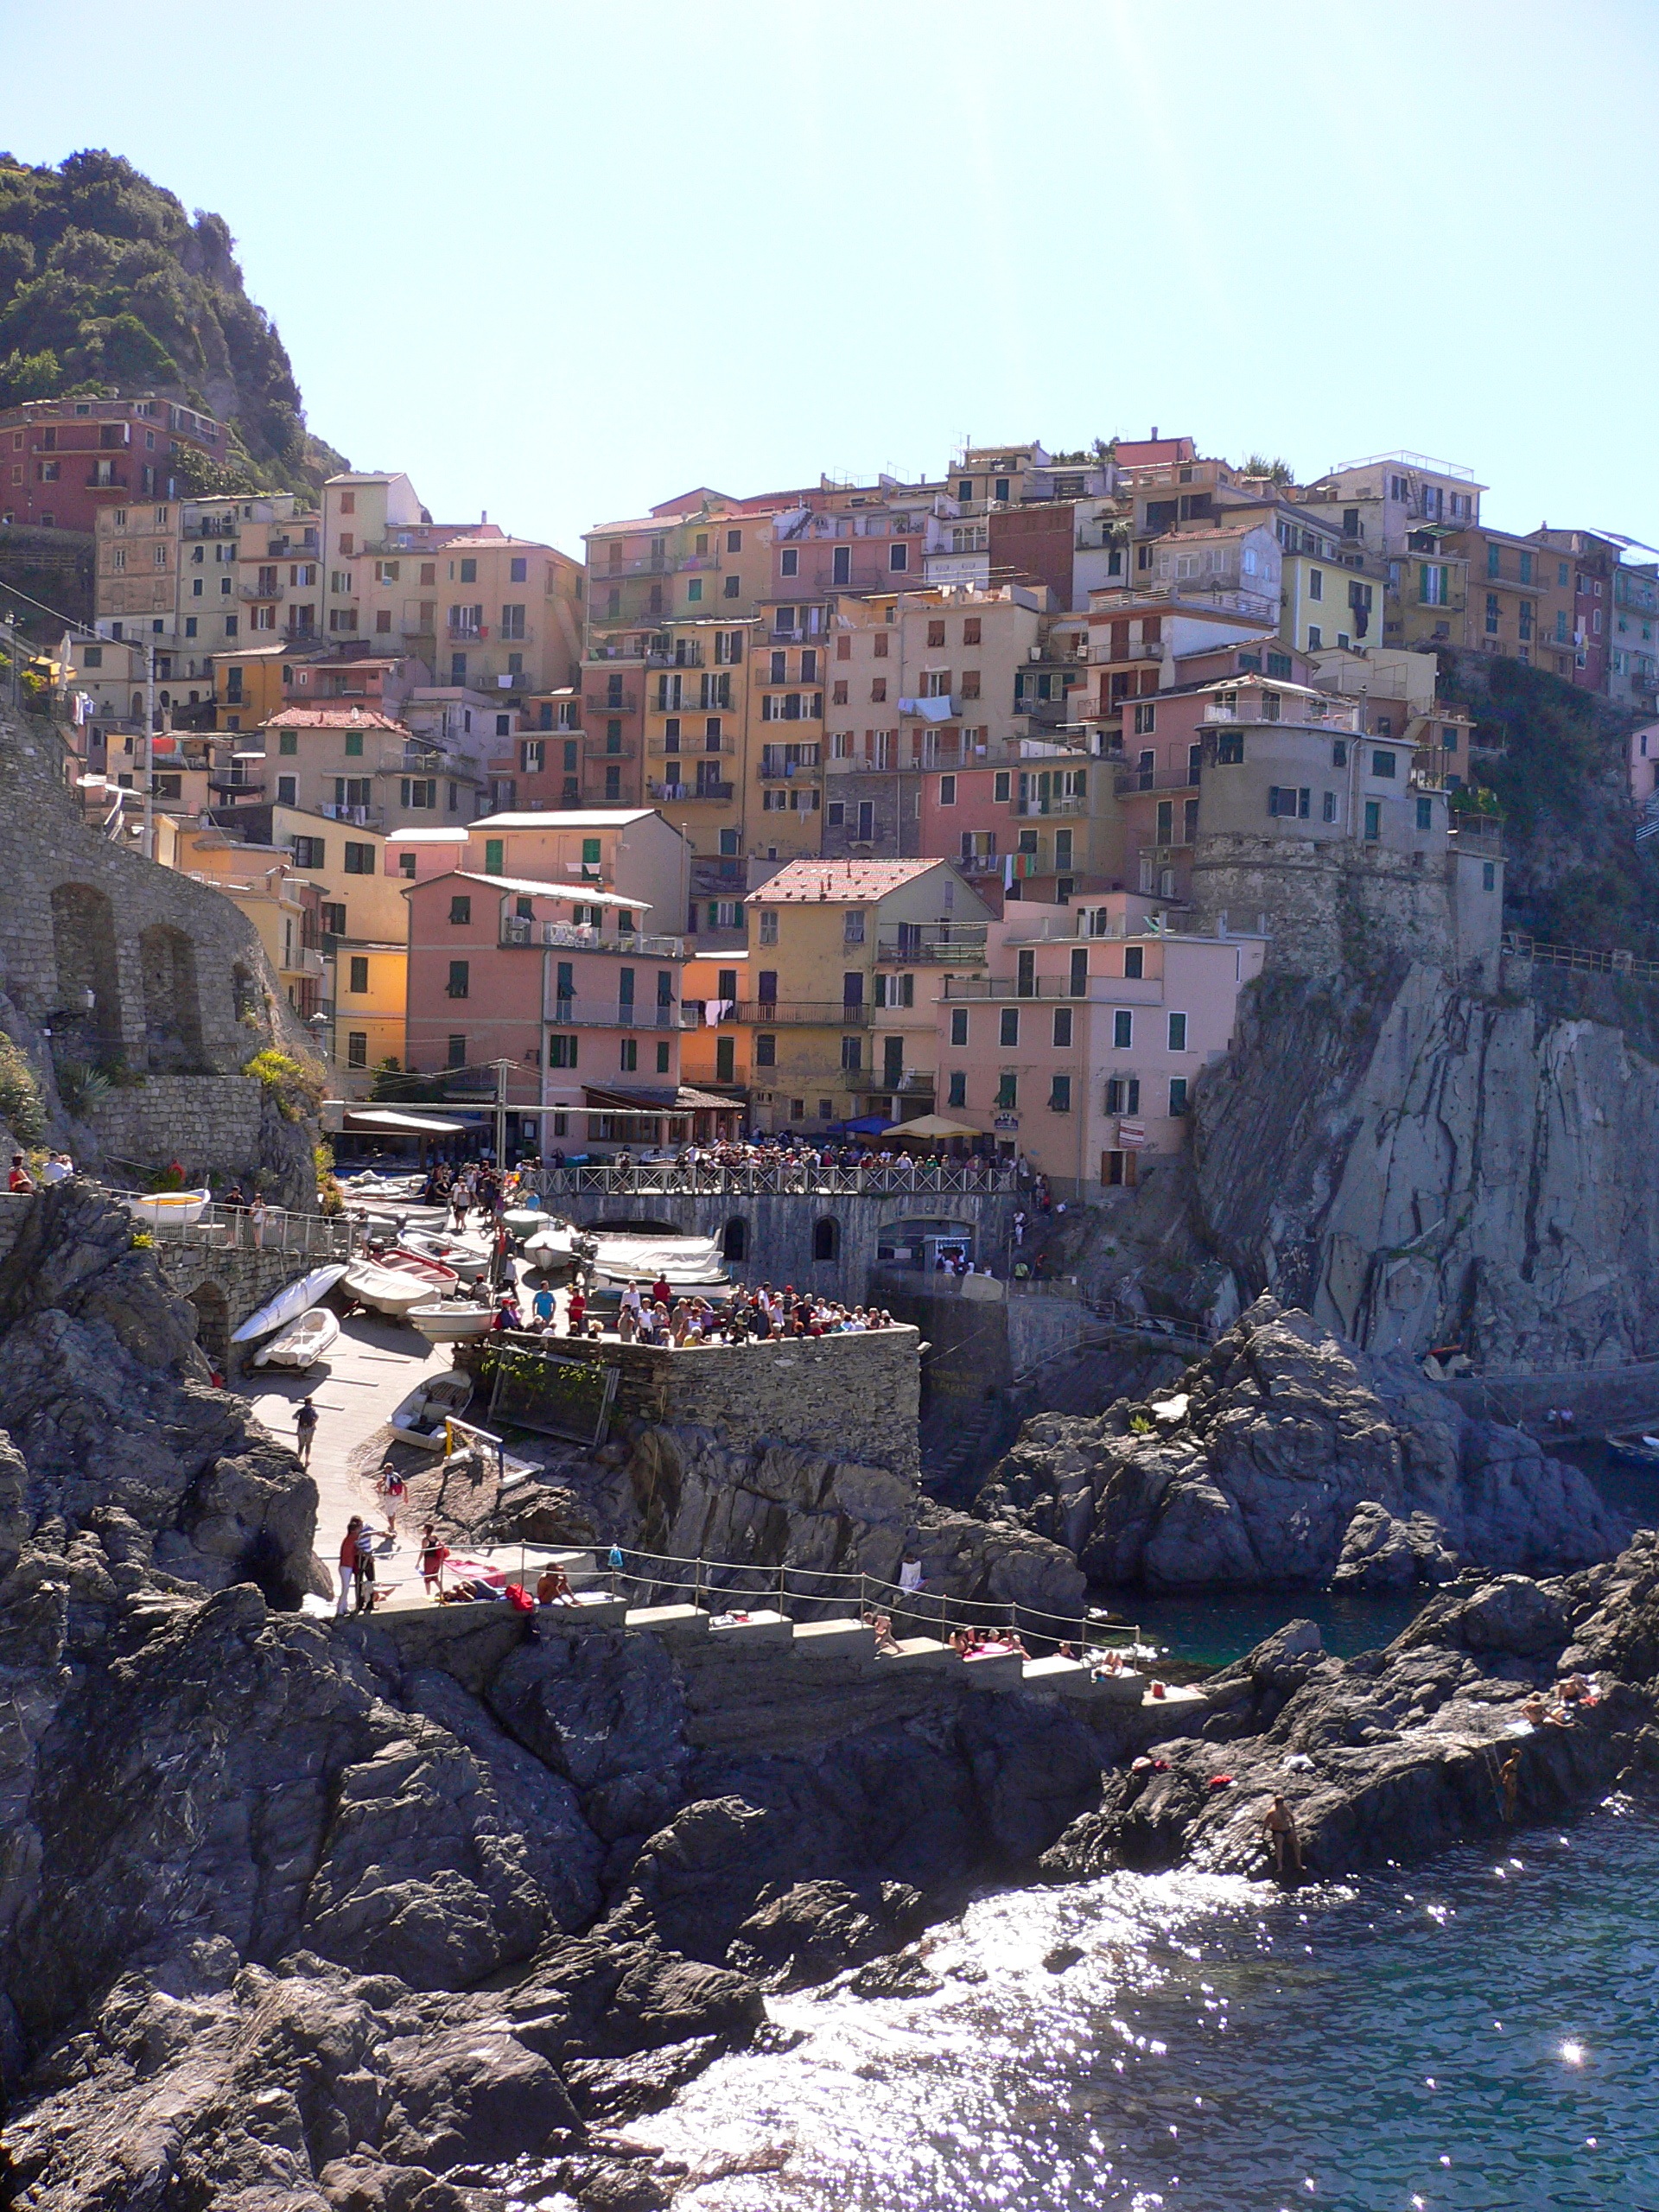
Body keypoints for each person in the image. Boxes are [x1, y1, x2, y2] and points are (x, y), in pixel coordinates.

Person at [1262, 1795, 1302, 1879]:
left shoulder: (1284, 1808)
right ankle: (1280, 1867)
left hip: (1287, 1830)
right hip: (1278, 1831)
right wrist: (1263, 1834)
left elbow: (1291, 1817)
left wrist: (1293, 1828)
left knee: (1296, 1842)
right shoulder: (1272, 1812)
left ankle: (1299, 1863)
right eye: (1280, 1802)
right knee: (1279, 1846)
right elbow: (1266, 1823)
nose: (1282, 1804)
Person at [336, 1515, 363, 1617]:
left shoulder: (349, 1539)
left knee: (346, 1587)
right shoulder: (353, 1538)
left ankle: (344, 1606)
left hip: (348, 1566)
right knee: (345, 1588)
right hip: (345, 1566)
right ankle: (339, 1608)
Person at [353, 1519, 378, 1612]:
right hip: (358, 1559)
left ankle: (370, 1603)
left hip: (368, 1558)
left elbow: (376, 1532)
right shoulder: (353, 1531)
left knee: (371, 1581)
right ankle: (359, 1603)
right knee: (359, 1581)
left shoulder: (367, 1527)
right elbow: (353, 1545)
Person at [419, 1522, 449, 1596]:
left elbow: (423, 1551)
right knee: (435, 1577)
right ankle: (442, 1591)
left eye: (424, 1528)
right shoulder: (435, 1537)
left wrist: (418, 1562)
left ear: (426, 1529)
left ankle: (428, 1594)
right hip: (437, 1559)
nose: (423, 1530)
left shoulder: (425, 1540)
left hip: (429, 1560)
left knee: (427, 1578)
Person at [380, 1463, 406, 1539]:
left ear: (388, 1469)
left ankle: (392, 1529)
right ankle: (392, 1526)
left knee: (389, 1514)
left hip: (390, 1496)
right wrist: (406, 1496)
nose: (385, 1470)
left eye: (386, 1468)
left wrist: (381, 1491)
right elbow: (405, 1485)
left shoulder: (386, 1477)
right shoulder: (397, 1475)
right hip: (397, 1496)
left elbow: (378, 1484)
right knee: (393, 1511)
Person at [294, 1395, 319, 1467]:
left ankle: (298, 1458)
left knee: (301, 1445)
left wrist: (300, 1419)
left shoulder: (301, 1410)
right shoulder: (312, 1410)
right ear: (311, 1402)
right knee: (308, 1445)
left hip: (301, 1429)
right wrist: (313, 1423)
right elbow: (317, 1417)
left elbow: (294, 1416)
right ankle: (307, 1460)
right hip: (310, 1430)